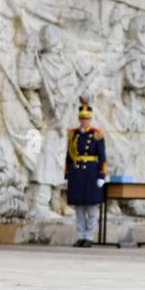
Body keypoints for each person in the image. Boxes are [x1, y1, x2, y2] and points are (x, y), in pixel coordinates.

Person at [65, 102, 106, 247]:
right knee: (79, 207)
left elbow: (102, 156)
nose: (84, 121)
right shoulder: (73, 134)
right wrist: (67, 175)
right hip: (77, 174)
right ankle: (80, 235)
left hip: (91, 173)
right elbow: (69, 156)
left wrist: (101, 176)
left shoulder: (96, 134)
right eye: (82, 118)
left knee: (91, 208)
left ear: (90, 119)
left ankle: (89, 236)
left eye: (86, 118)